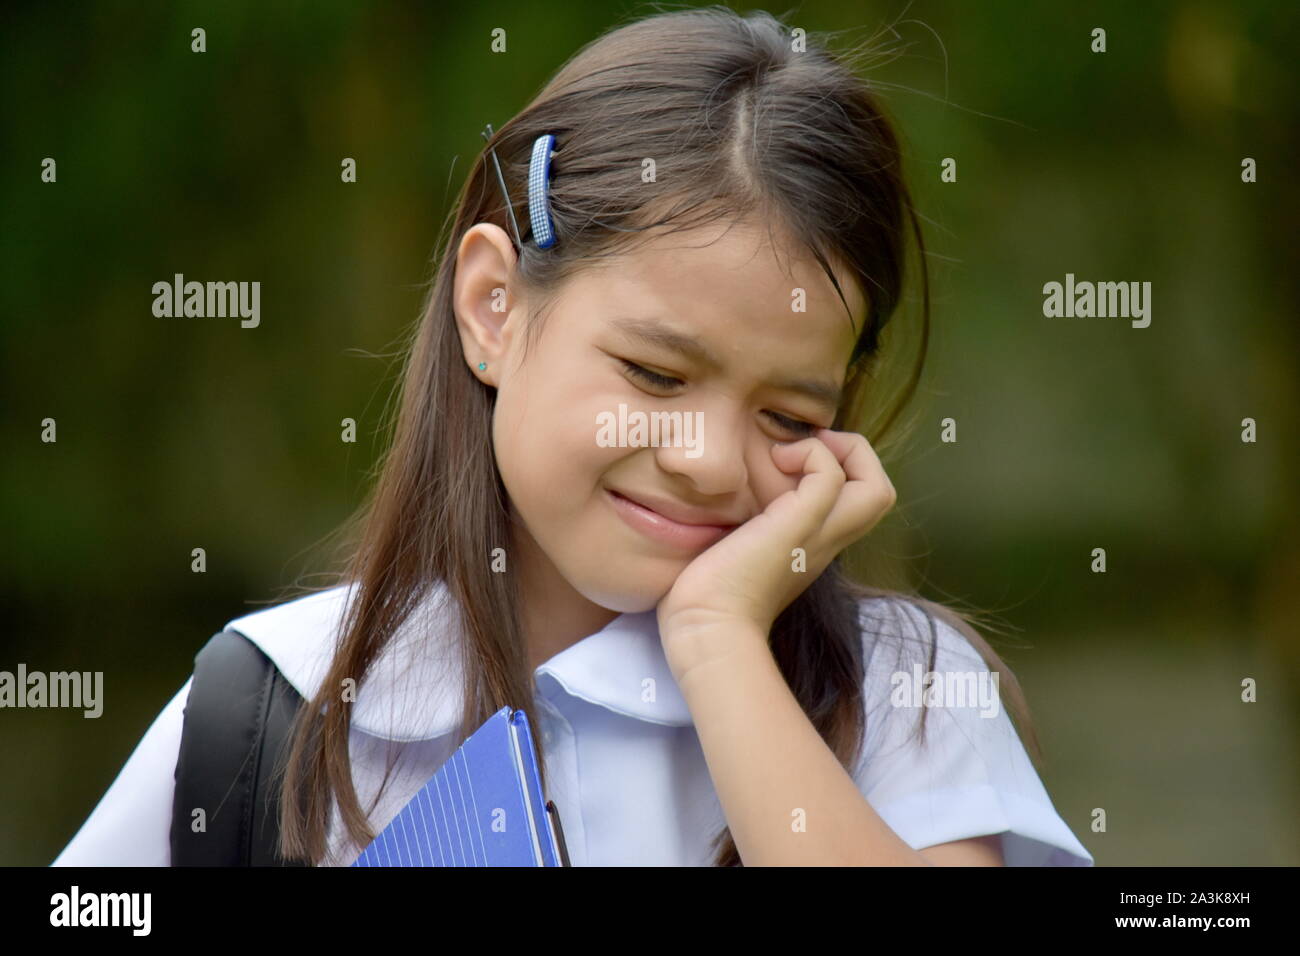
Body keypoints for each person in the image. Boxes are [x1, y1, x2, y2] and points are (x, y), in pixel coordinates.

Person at [52, 6, 1093, 867]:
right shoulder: (276, 704)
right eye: (653, 371)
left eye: (788, 415)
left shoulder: (901, 692)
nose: (704, 458)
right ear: (494, 303)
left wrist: (718, 642)